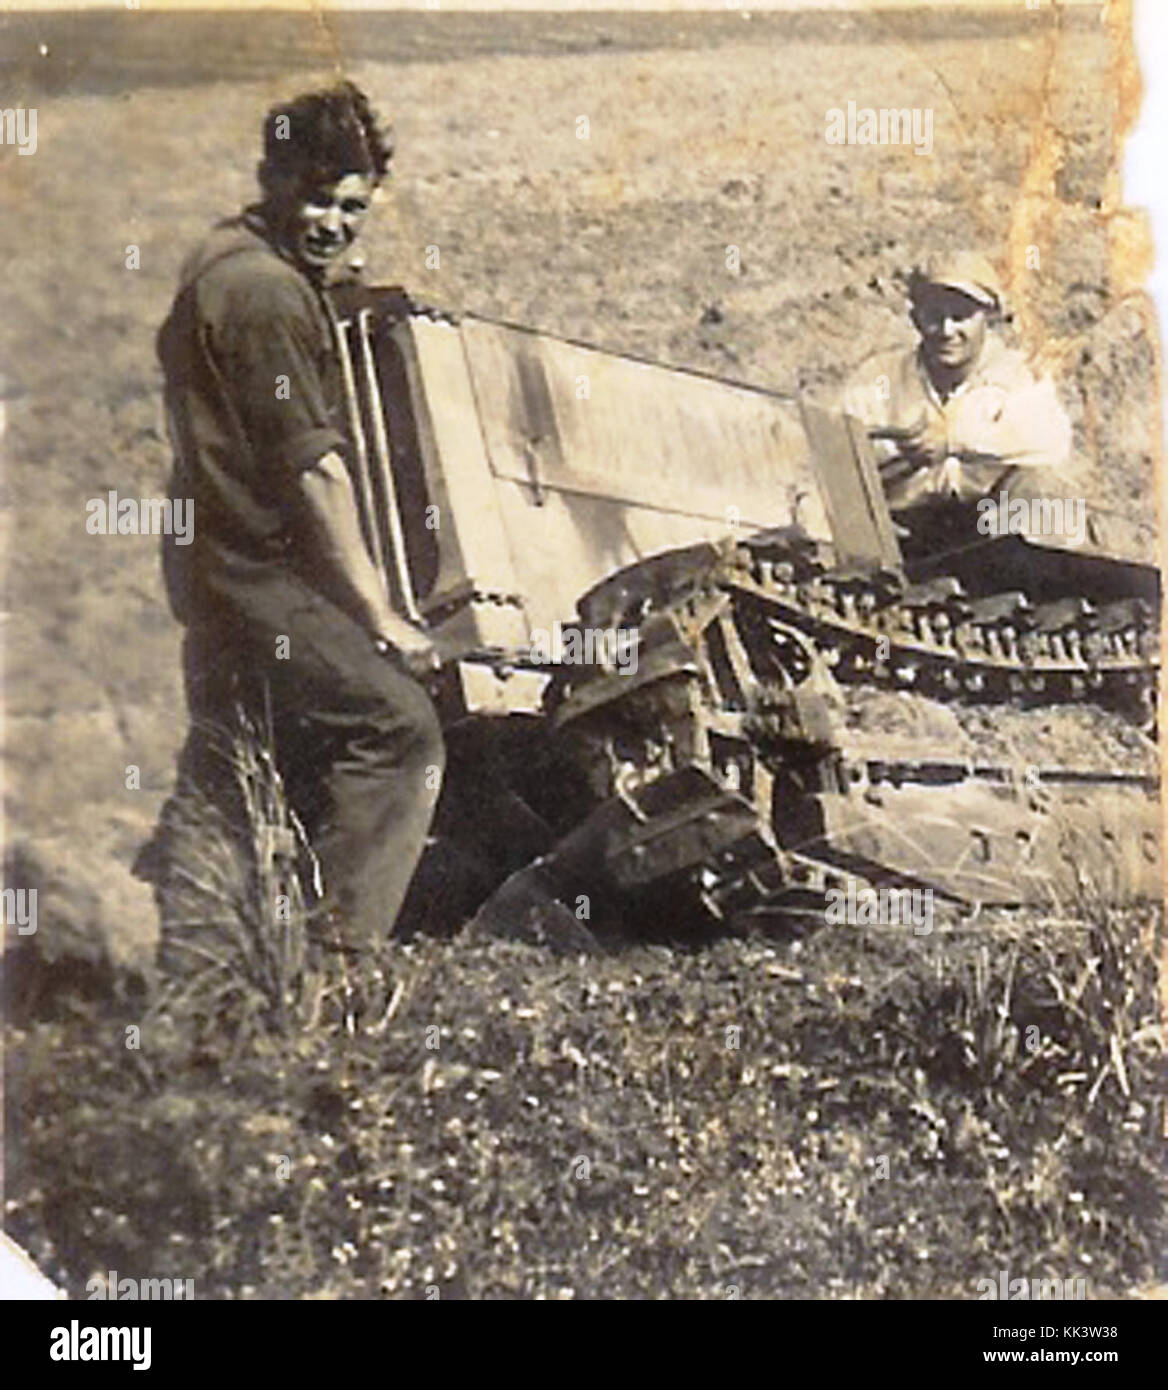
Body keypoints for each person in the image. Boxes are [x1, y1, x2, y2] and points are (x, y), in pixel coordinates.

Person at [146, 81, 444, 958]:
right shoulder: (266, 298)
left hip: (210, 574)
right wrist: (380, 615)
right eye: (317, 198)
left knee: (236, 767)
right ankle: (335, 965)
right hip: (259, 578)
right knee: (397, 728)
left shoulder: (225, 262)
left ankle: (199, 967)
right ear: (274, 178)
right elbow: (315, 471)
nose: (333, 223)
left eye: (352, 206)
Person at [840, 251, 1072, 517]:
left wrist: (952, 442)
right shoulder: (879, 379)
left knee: (1040, 488)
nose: (947, 330)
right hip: (900, 529)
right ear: (916, 319)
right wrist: (897, 452)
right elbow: (839, 458)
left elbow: (1050, 443)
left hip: (990, 524)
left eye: (960, 316)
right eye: (934, 316)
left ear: (989, 319)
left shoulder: (1020, 377)